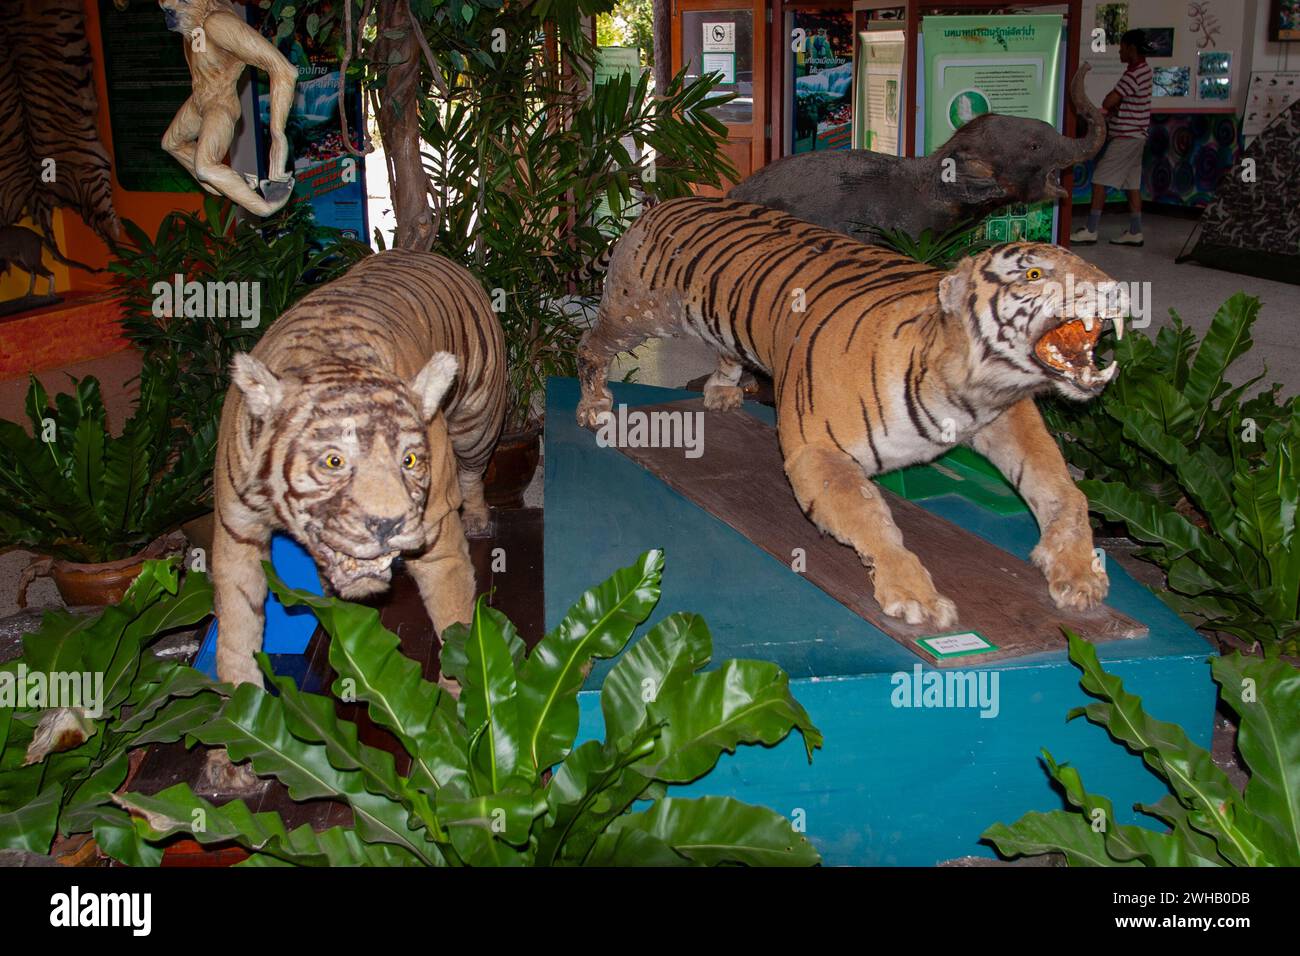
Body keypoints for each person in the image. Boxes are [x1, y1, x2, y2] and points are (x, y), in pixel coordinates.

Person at [1071, 29, 1152, 246]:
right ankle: (1135, 231)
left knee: (1098, 179)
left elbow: (1109, 101)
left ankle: (1090, 229)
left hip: (1126, 137)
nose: (1120, 51)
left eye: (1123, 46)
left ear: (1131, 48)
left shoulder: (1134, 74)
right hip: (1137, 137)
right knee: (1132, 184)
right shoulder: (1144, 71)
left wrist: (1112, 101)